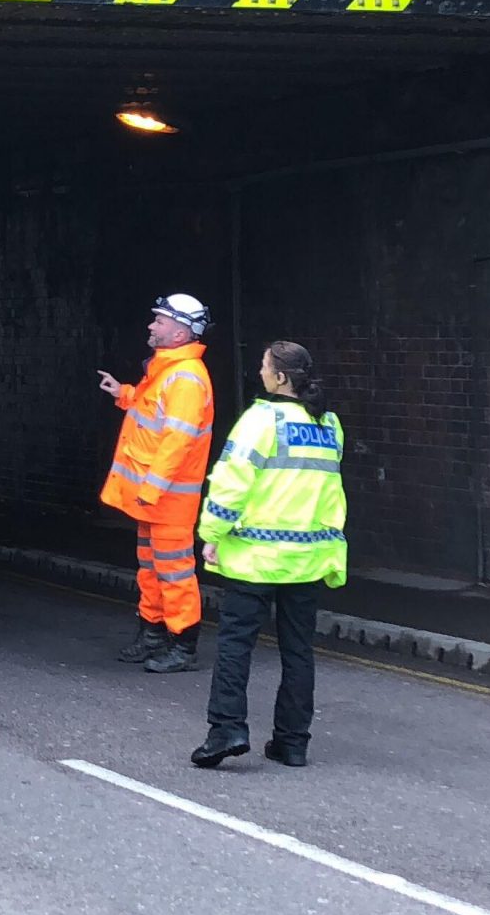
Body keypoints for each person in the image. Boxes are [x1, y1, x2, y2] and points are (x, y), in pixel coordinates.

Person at [190, 341, 348, 770]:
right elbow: (329, 494)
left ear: (280, 378)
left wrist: (211, 533)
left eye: (264, 366)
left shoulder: (260, 420)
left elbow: (230, 483)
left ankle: (227, 730)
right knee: (298, 651)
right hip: (306, 560)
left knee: (235, 645)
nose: (259, 372)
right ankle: (292, 742)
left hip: (255, 557)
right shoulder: (328, 425)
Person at [96, 294, 215, 674]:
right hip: (156, 498)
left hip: (167, 498)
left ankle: (182, 645)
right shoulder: (168, 371)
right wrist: (125, 394)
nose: (151, 325)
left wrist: (150, 488)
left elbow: (176, 441)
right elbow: (154, 412)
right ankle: (153, 634)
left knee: (175, 571)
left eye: (160, 321)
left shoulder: (185, 378)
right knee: (151, 568)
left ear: (180, 333)